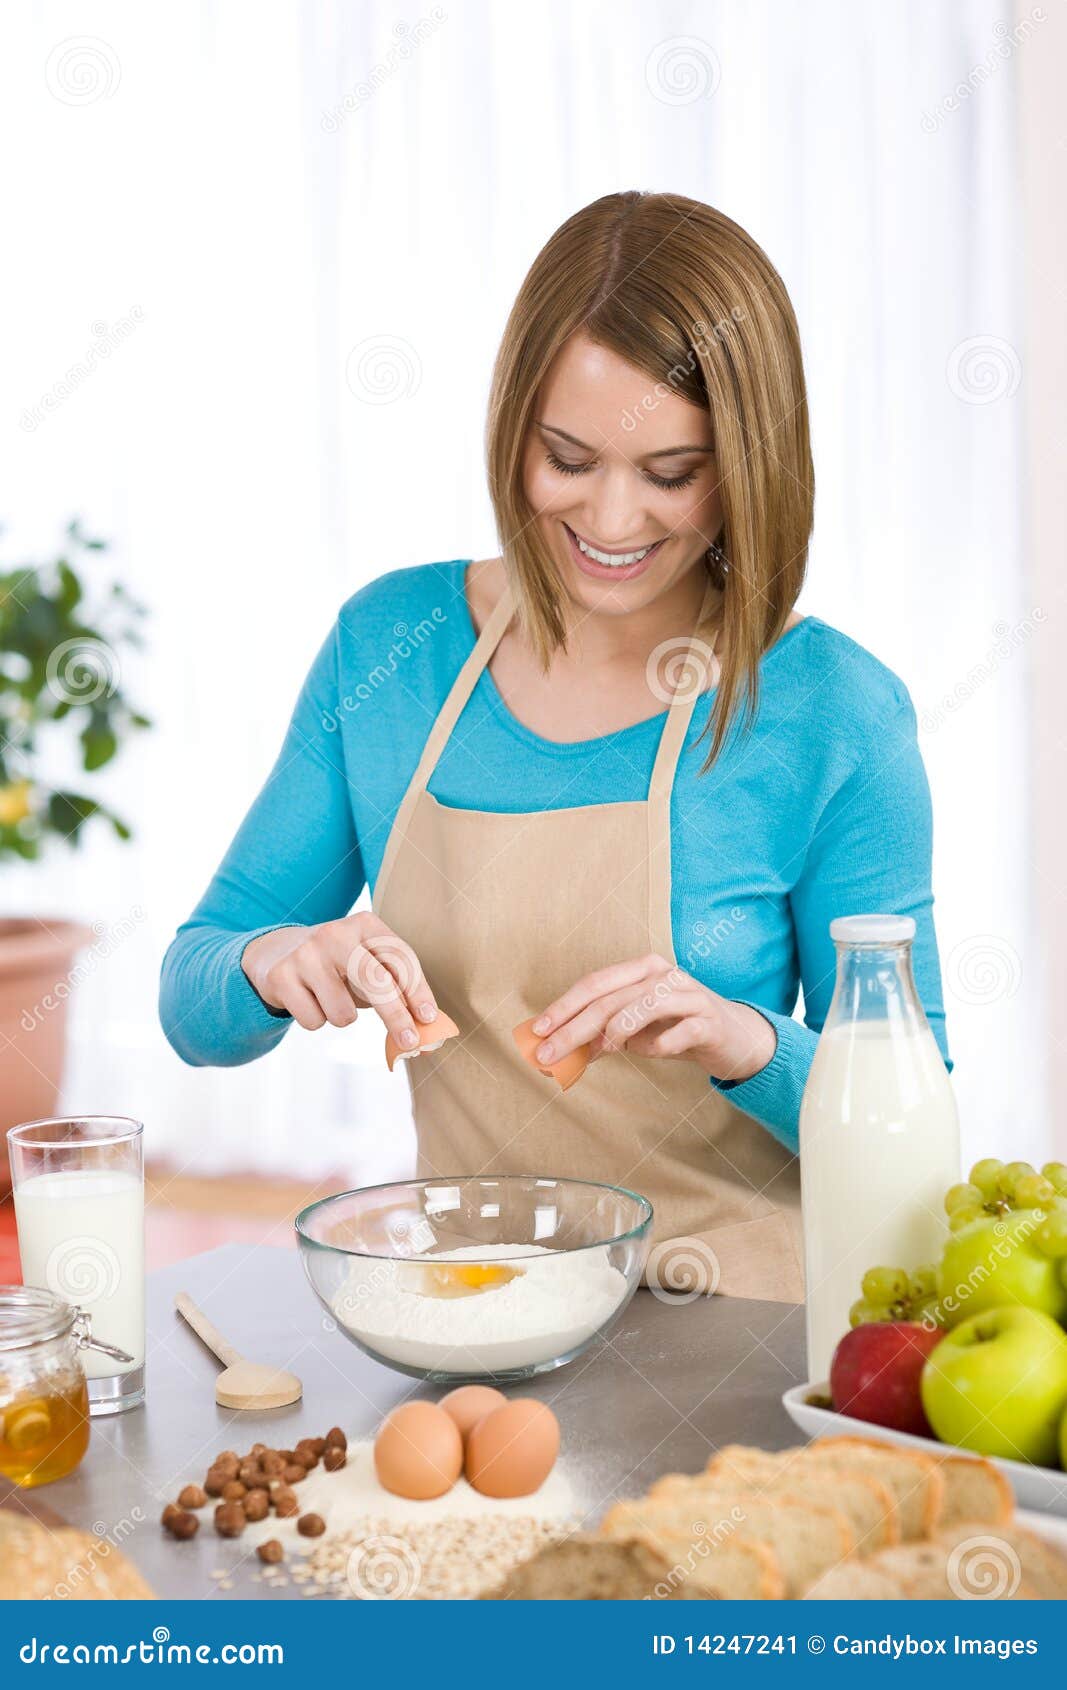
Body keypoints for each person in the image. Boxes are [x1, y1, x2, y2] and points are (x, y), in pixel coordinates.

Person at [160, 191, 950, 1301]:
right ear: (511, 427)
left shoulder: (831, 711)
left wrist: (744, 1041)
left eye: (670, 473)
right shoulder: (394, 648)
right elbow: (192, 998)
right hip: (472, 1329)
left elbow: (914, 1129)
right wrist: (273, 963)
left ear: (747, 462)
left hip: (737, 1332)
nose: (612, 520)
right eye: (566, 457)